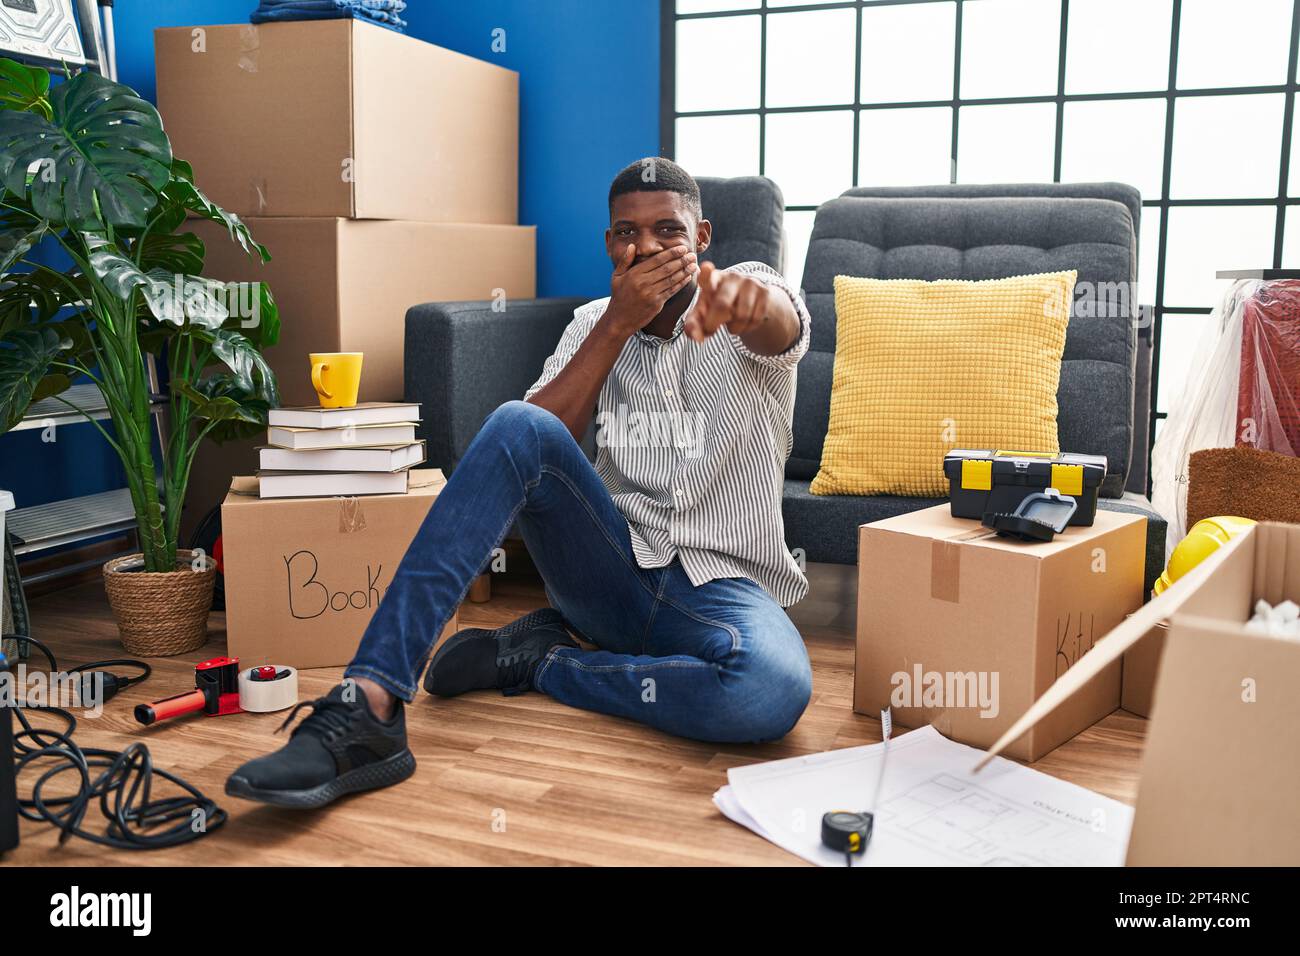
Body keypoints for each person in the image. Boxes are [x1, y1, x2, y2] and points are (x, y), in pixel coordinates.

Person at [226, 158, 814, 809]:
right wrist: (617, 324)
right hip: (609, 573)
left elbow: (778, 321)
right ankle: (369, 703)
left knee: (770, 689)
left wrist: (752, 303)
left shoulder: (745, 291)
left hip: (723, 593)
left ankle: (543, 663)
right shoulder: (593, 322)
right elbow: (536, 437)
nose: (644, 247)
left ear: (701, 237)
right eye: (626, 232)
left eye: (666, 231)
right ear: (609, 243)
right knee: (517, 422)